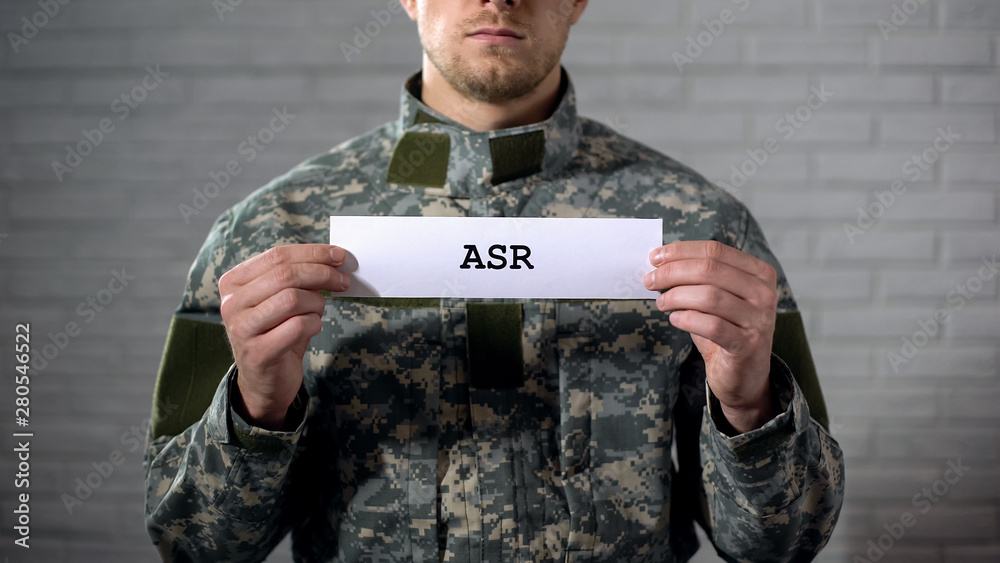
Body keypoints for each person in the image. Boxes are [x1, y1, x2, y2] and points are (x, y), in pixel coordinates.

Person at [144, 0, 845, 561]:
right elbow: (195, 543)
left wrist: (752, 408)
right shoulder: (272, 232)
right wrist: (258, 409)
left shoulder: (703, 230)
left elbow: (782, 545)